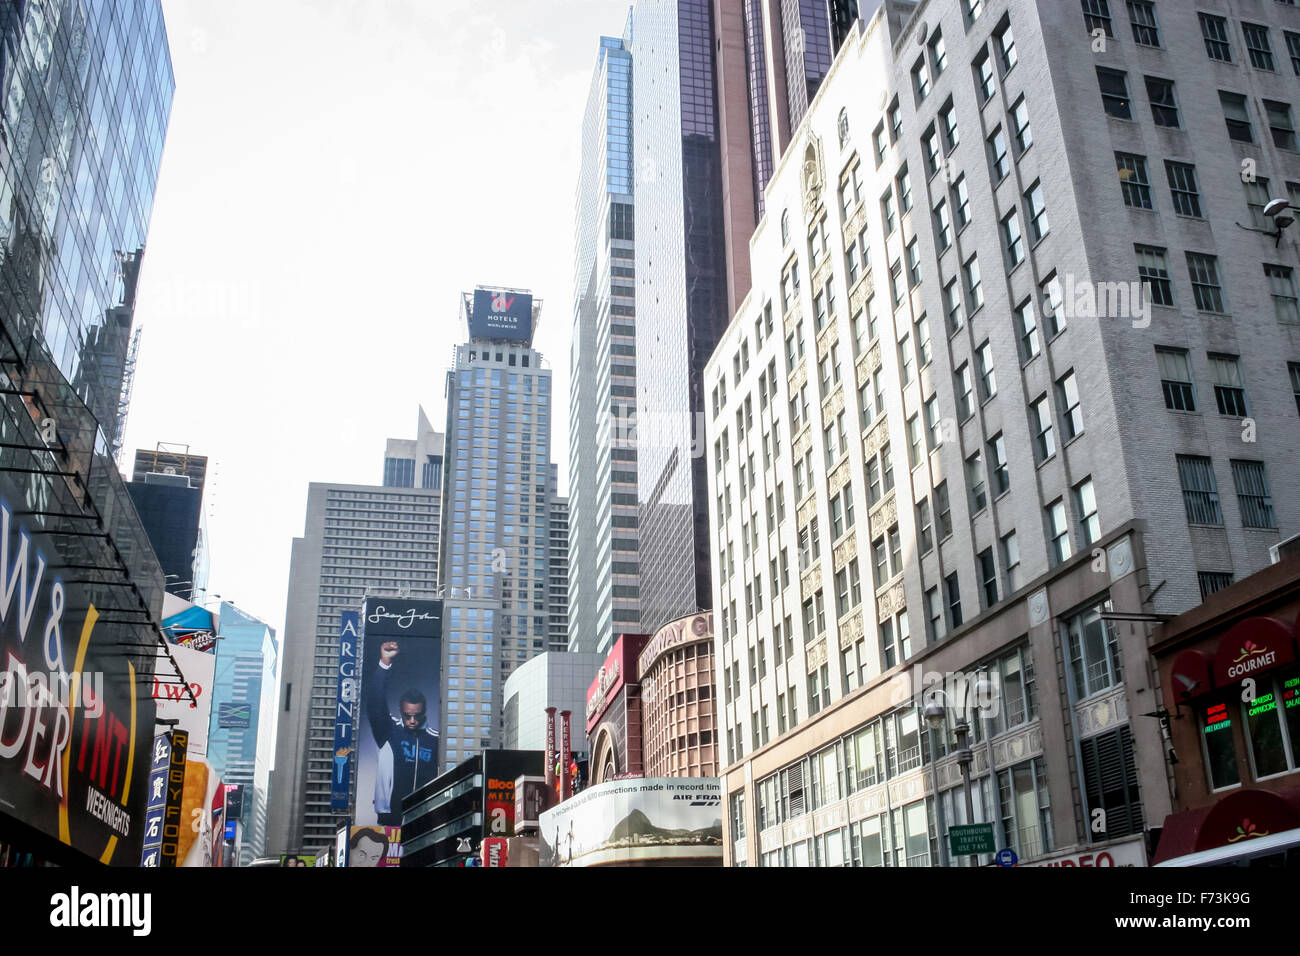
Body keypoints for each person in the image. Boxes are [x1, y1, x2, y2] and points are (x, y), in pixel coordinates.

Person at [366, 640, 439, 825]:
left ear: (424, 712)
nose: (412, 721)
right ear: (401, 712)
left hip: (424, 818)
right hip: (390, 816)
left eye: (417, 716)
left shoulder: (436, 740)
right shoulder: (389, 731)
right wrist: (384, 663)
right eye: (407, 716)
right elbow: (375, 703)